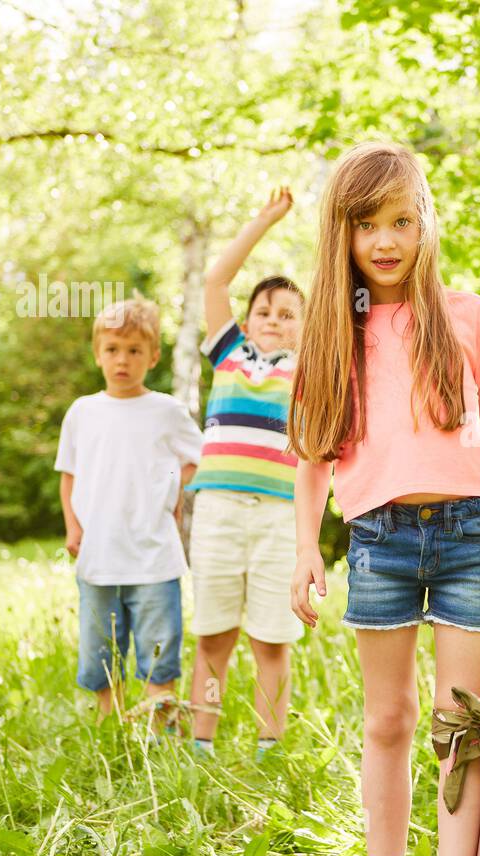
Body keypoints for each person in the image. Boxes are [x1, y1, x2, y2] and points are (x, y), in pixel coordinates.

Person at [287, 142, 480, 856]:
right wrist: (308, 546)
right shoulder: (332, 332)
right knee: (389, 718)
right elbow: (312, 453)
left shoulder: (464, 315)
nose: (386, 241)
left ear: (425, 222)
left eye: (401, 221)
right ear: (344, 234)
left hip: (468, 532)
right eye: (367, 225)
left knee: (460, 723)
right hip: (377, 540)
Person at [184, 189, 307, 763]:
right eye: (265, 311)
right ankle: (202, 741)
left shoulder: (309, 369)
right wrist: (263, 219)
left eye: (288, 315)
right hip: (219, 511)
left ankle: (269, 747)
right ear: (248, 318)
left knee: (271, 639)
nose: (274, 321)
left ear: (306, 327)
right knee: (213, 636)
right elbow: (215, 282)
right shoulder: (230, 352)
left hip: (282, 517)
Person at [55, 295, 202, 726]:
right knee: (100, 646)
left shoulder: (167, 411)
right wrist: (72, 527)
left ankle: (160, 727)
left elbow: (197, 459)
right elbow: (69, 475)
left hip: (155, 555)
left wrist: (172, 491)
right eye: (113, 349)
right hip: (99, 555)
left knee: (160, 647)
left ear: (153, 356)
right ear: (97, 353)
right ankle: (112, 725)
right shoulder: (82, 412)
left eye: (135, 350)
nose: (123, 360)